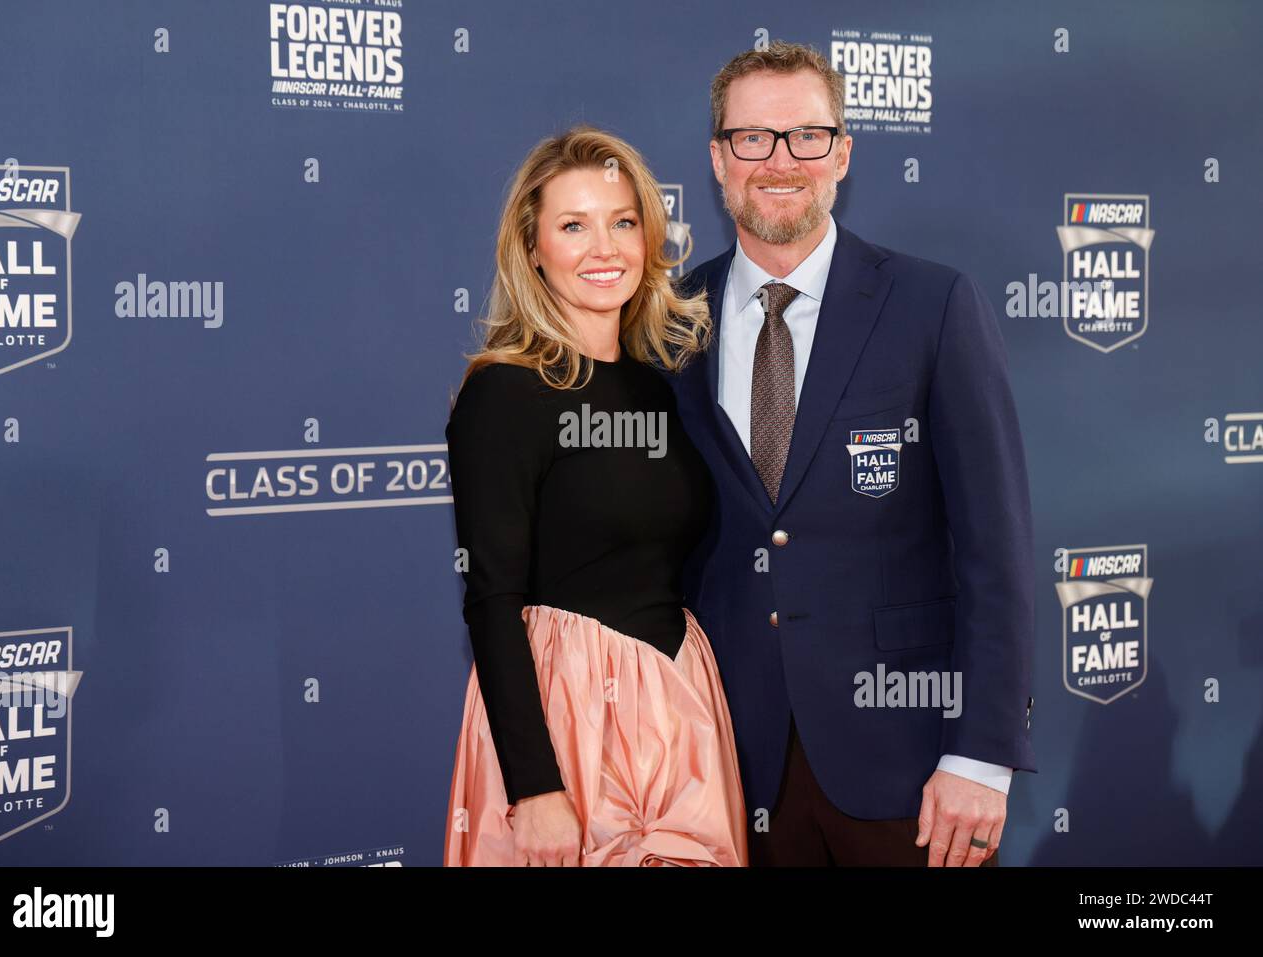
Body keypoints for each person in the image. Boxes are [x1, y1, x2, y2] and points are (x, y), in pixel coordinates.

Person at [667, 40, 1037, 866]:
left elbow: (996, 547)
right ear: (718, 160)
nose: (779, 161)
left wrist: (982, 754)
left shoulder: (932, 303)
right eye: (752, 139)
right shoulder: (668, 321)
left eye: (806, 135)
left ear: (842, 153)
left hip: (907, 766)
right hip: (724, 760)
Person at [442, 124, 747, 866]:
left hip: (680, 707)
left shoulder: (658, 385)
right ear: (533, 248)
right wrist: (534, 785)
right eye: (573, 226)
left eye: (622, 221)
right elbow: (491, 598)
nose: (603, 248)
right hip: (565, 716)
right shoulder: (504, 394)